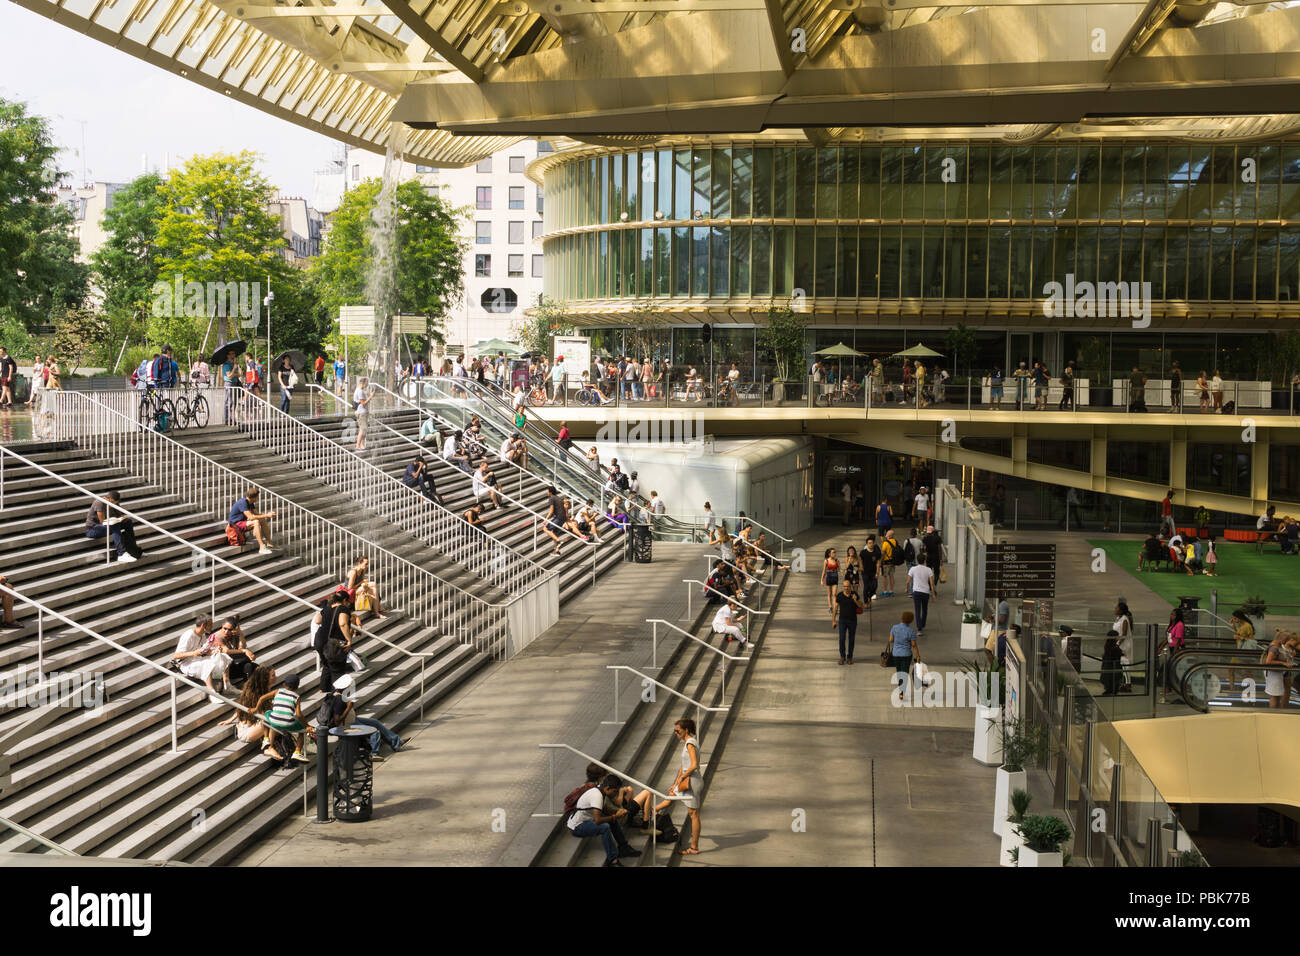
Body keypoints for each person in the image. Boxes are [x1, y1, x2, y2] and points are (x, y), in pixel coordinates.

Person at [631, 718, 703, 856]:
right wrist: (676, 783)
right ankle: (652, 810)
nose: (675, 733)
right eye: (674, 731)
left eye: (677, 731)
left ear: (686, 730)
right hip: (686, 780)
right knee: (670, 796)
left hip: (692, 782)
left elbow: (693, 765)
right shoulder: (687, 743)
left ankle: (694, 847)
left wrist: (682, 777)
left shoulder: (690, 744)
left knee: (693, 814)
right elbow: (684, 765)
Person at [325, 673, 403, 758]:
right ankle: (375, 754)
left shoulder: (338, 694)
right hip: (346, 725)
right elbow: (337, 721)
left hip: (352, 720)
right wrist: (348, 708)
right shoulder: (339, 699)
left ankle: (396, 742)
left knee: (375, 722)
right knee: (374, 731)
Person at [568, 773, 628, 866]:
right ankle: (613, 860)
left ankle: (624, 846)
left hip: (587, 820)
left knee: (612, 819)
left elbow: (603, 809)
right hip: (577, 826)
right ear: (607, 788)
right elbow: (598, 820)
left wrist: (616, 813)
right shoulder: (597, 796)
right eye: (615, 791)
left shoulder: (601, 790)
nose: (615, 794)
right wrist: (615, 816)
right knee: (605, 827)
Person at [218, 663, 275, 748]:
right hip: (246, 732)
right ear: (265, 679)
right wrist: (230, 720)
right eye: (273, 675)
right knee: (274, 720)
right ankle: (269, 749)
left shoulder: (265, 689)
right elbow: (243, 705)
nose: (276, 677)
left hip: (255, 726)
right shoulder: (254, 693)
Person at [172, 613, 231, 696]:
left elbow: (204, 651)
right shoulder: (188, 635)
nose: (212, 627)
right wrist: (193, 653)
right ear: (203, 625)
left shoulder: (202, 635)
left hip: (197, 659)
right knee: (207, 663)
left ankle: (226, 686)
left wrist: (214, 651)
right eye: (210, 625)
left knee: (223, 657)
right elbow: (176, 655)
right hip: (185, 664)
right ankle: (212, 693)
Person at [257, 673, 309, 763]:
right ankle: (297, 752)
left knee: (268, 714)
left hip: (274, 720)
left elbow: (261, 698)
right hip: (288, 723)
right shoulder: (297, 697)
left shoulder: (277, 691)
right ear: (297, 687)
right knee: (302, 731)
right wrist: (307, 725)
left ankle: (268, 743)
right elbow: (299, 715)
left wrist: (256, 708)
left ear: (284, 684)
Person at [85, 490, 144, 562]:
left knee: (128, 522)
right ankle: (121, 554)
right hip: (93, 529)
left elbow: (119, 515)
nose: (113, 504)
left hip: (109, 525)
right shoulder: (99, 503)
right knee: (114, 526)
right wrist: (114, 521)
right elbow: (102, 522)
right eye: (112, 502)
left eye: (115, 503)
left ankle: (134, 550)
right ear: (108, 498)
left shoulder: (115, 503)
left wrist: (122, 518)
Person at [228, 487, 276, 554]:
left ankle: (269, 544)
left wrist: (267, 515)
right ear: (255, 497)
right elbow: (251, 517)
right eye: (257, 497)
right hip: (234, 525)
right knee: (255, 522)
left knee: (262, 520)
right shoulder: (243, 503)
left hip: (241, 523)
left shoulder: (250, 502)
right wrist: (266, 515)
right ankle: (262, 547)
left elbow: (257, 514)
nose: (258, 498)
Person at [213, 616, 257, 687]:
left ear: (234, 629)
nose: (226, 631)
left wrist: (240, 634)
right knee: (249, 664)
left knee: (252, 667)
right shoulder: (215, 637)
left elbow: (242, 647)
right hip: (219, 672)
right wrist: (244, 651)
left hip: (232, 665)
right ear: (222, 626)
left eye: (230, 630)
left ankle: (248, 689)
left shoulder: (234, 635)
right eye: (225, 628)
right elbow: (226, 651)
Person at [832, 580, 865, 665]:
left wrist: (855, 600)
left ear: (850, 586)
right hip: (842, 620)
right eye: (845, 586)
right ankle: (842, 657)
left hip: (852, 620)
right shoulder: (839, 596)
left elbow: (861, 605)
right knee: (842, 638)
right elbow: (835, 608)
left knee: (851, 639)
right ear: (843, 587)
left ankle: (850, 657)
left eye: (848, 586)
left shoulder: (854, 594)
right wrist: (833, 620)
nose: (846, 588)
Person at [347, 555, 390, 619]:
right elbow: (349, 588)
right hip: (350, 592)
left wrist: (364, 584)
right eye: (366, 564)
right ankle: (378, 608)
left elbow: (362, 582)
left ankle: (377, 612)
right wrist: (362, 583)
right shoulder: (353, 572)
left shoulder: (362, 570)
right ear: (359, 563)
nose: (367, 566)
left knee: (374, 589)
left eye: (367, 564)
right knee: (373, 585)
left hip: (358, 589)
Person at [890, 610, 920, 700]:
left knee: (899, 672)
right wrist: (917, 656)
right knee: (905, 673)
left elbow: (891, 640)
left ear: (902, 618)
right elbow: (913, 645)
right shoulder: (911, 631)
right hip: (906, 655)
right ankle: (902, 692)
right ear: (911, 620)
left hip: (895, 654)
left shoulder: (894, 628)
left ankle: (901, 690)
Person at [1263, 635, 1295, 709]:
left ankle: (1275, 712)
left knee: (1277, 696)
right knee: (1274, 696)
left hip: (1276, 674)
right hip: (1274, 674)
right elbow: (1268, 661)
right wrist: (1283, 663)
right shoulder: (1275, 648)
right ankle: (1273, 713)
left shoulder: (1278, 647)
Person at [906, 558, 936, 633]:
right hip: (926, 592)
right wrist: (933, 594)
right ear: (924, 561)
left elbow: (908, 581)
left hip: (916, 592)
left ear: (917, 560)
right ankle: (922, 624)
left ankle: (919, 629)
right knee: (925, 609)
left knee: (917, 610)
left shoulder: (913, 569)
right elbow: (932, 583)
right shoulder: (928, 570)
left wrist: (907, 589)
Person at [1113, 599, 1134, 693]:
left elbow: (1124, 634)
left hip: (1124, 644)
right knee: (1121, 664)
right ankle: (1124, 683)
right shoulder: (1118, 618)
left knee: (1126, 664)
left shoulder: (1125, 619)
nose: (1115, 609)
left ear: (1121, 610)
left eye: (1116, 608)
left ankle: (1128, 684)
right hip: (1119, 643)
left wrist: (1118, 644)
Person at [542, 485, 567, 555]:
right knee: (554, 534)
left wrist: (545, 519)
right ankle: (557, 550)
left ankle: (559, 541)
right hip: (562, 518)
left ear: (550, 492)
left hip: (559, 517)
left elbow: (551, 510)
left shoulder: (551, 498)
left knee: (545, 529)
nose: (546, 492)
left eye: (547, 491)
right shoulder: (558, 498)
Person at [1100, 631, 1124, 696]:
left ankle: (1109, 689)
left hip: (1108, 668)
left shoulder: (1107, 646)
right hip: (1114, 669)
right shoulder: (1115, 648)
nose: (1118, 637)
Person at [820, 548, 840, 618]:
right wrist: (821, 579)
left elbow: (839, 569)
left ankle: (835, 607)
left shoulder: (837, 560)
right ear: (829, 554)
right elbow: (824, 571)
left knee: (834, 594)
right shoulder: (826, 561)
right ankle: (830, 607)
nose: (834, 554)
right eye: (833, 552)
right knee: (829, 594)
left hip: (835, 578)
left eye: (835, 552)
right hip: (828, 578)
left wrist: (843, 571)